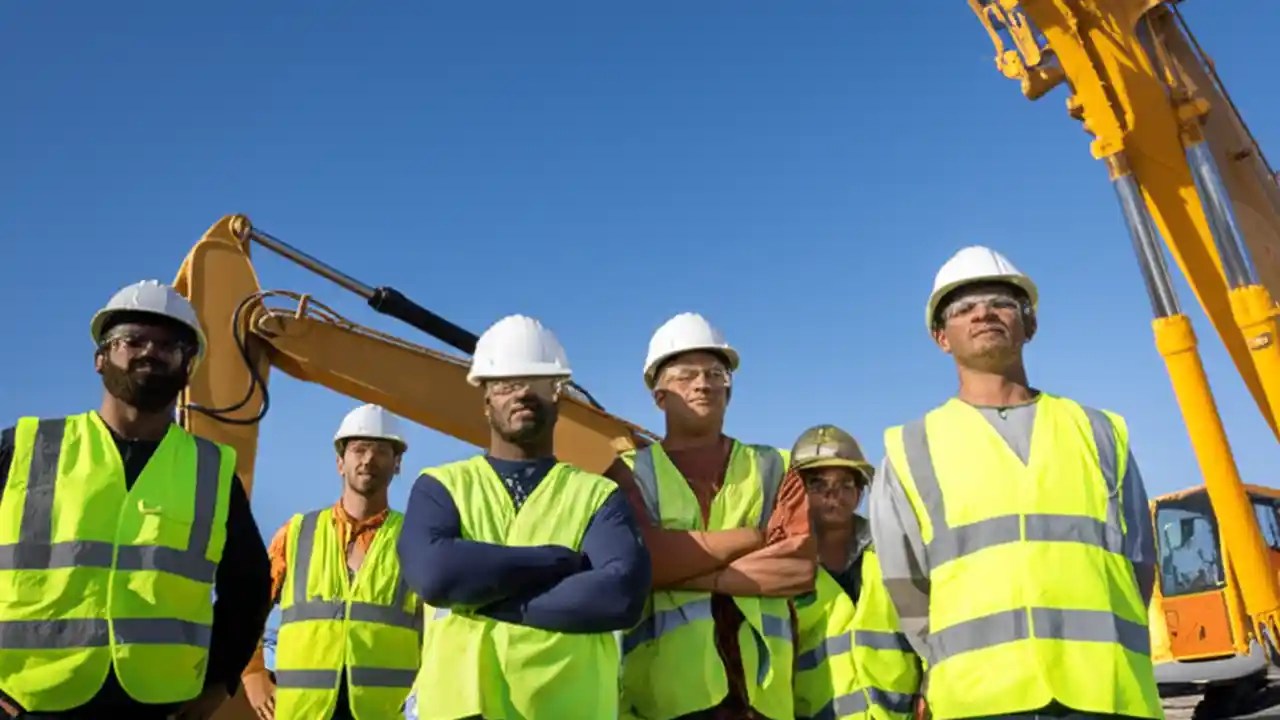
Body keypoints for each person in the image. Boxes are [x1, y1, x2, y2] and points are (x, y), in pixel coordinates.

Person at [869, 246, 1162, 719]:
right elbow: (905, 587)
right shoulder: (910, 447)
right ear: (941, 337)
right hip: (981, 699)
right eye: (962, 308)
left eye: (1001, 302)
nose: (983, 312)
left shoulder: (1100, 431)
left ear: (1030, 324)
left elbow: (1140, 562)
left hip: (1107, 689)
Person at [0, 280, 273, 720]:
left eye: (170, 345)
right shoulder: (28, 448)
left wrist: (219, 683)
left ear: (189, 367)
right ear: (100, 358)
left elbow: (250, 586)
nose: (151, 352)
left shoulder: (212, 471)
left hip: (157, 706)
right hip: (28, 700)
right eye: (133, 340)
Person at [398, 314, 651, 720]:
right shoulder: (440, 486)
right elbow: (436, 575)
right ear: (486, 401)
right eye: (506, 385)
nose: (522, 395)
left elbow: (619, 596)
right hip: (460, 710)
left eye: (538, 384)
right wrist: (555, 561)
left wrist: (481, 598)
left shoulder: (597, 494)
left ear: (559, 397)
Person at [607, 312, 816, 720]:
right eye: (685, 376)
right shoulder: (627, 472)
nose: (703, 384)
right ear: (659, 396)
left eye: (716, 374)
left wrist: (682, 572)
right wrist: (750, 538)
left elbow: (798, 567)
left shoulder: (775, 464)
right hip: (663, 700)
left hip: (762, 697)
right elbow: (634, 563)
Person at [240, 404, 421, 720]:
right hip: (303, 712)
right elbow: (248, 605)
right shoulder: (296, 533)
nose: (368, 459)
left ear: (397, 465)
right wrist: (252, 672)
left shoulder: (416, 539)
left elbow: (439, 625)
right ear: (340, 462)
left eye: (380, 451)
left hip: (384, 712)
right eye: (359, 450)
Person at [787, 424, 923, 720]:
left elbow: (928, 627)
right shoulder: (783, 565)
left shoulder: (893, 553)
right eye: (817, 483)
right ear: (795, 491)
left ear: (861, 492)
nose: (832, 494)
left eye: (846, 483)